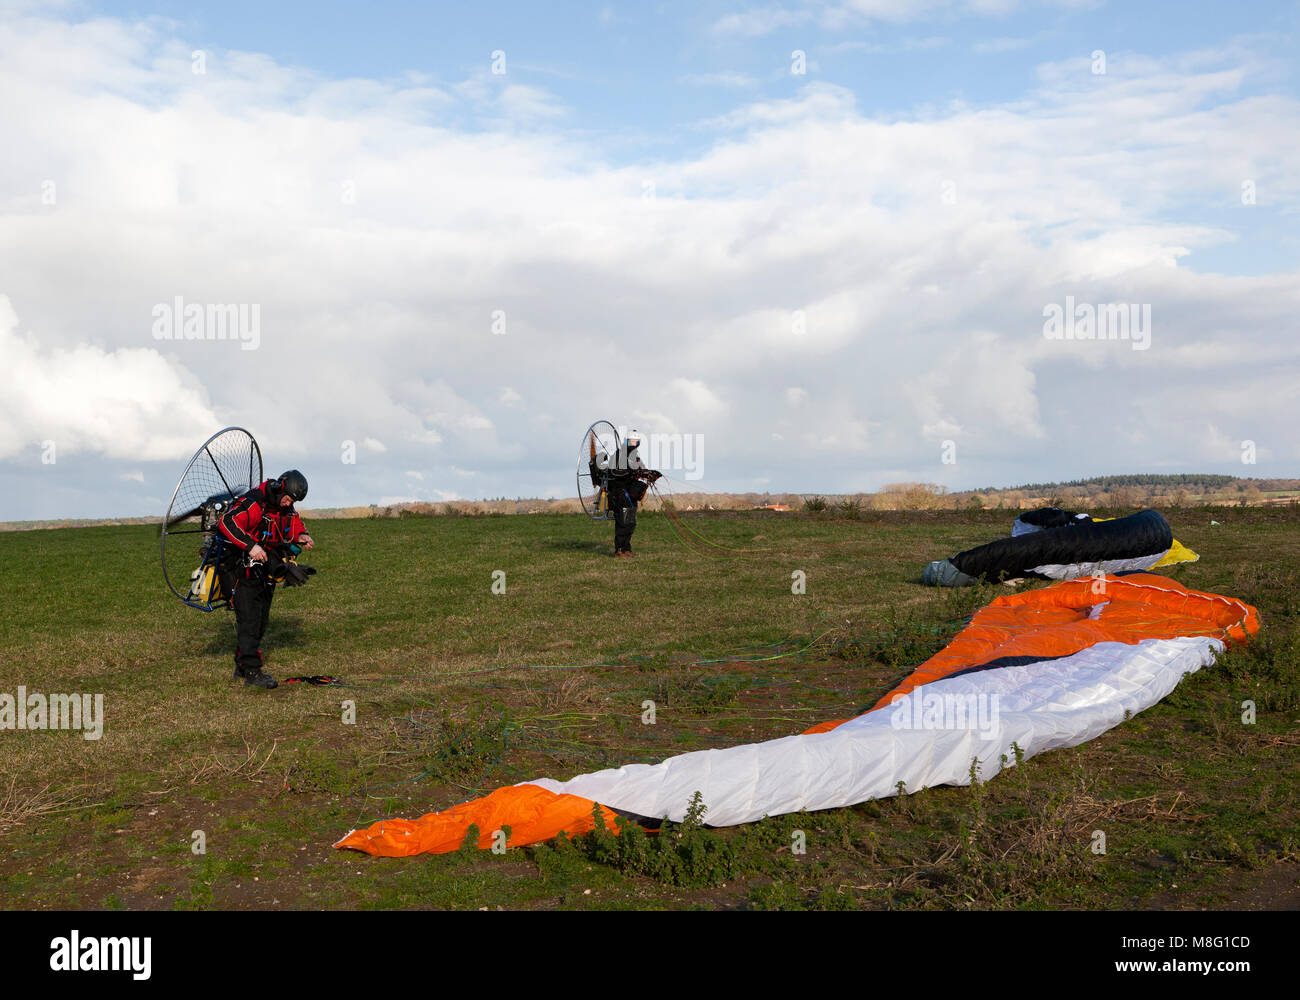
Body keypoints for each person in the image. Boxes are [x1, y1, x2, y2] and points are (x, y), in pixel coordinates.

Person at [216, 470, 314, 688]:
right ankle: (252, 673)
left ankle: (242, 667)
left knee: (260, 620)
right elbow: (227, 522)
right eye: (288, 498)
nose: (289, 503)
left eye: (293, 501)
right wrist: (251, 546)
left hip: (266, 567)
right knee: (250, 619)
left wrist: (301, 536)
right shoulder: (254, 502)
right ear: (280, 487)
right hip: (240, 567)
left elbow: (289, 524)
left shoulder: (284, 506)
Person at [592, 430, 660, 558]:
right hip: (619, 493)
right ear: (626, 442)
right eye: (632, 442)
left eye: (636, 442)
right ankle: (619, 550)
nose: (634, 444)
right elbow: (615, 473)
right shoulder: (618, 455)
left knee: (631, 522)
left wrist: (648, 474)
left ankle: (627, 548)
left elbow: (641, 470)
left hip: (631, 493)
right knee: (622, 521)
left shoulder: (636, 457)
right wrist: (631, 472)